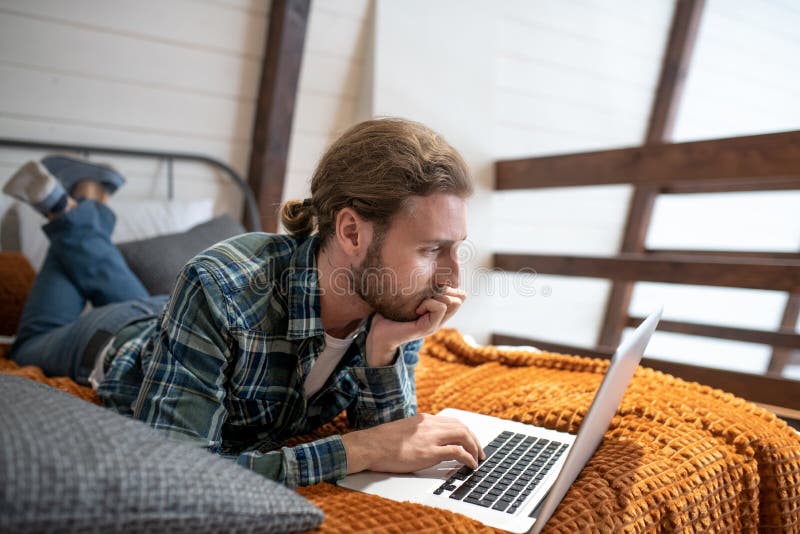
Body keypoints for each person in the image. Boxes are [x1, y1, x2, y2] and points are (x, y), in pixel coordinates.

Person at [4, 117, 484, 488]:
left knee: (141, 293)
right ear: (352, 231)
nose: (451, 277)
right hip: (112, 341)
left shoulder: (394, 304)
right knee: (28, 343)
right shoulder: (219, 285)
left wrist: (385, 351)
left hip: (174, 319)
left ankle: (79, 205)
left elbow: (395, 443)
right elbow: (175, 471)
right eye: (429, 250)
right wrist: (352, 451)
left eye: (454, 248)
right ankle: (68, 211)